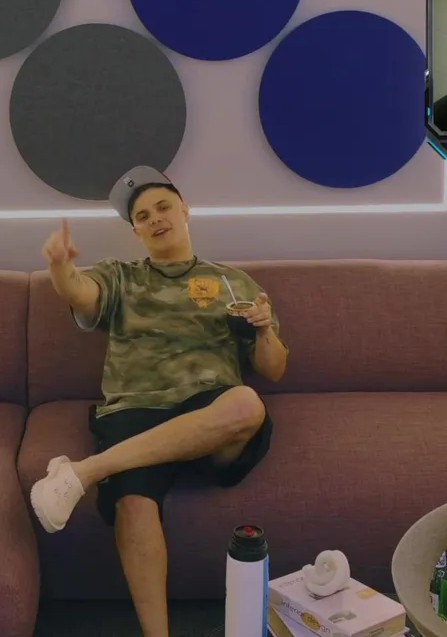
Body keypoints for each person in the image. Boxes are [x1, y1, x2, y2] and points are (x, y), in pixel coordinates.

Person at [29, 166, 287, 637]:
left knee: (247, 404)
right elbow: (82, 294)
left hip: (210, 407)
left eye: (163, 207)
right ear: (137, 232)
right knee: (133, 502)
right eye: (143, 216)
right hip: (135, 407)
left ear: (185, 210)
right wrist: (60, 268)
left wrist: (264, 330)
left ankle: (85, 472)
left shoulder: (233, 282)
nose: (155, 219)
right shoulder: (121, 276)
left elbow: (273, 369)